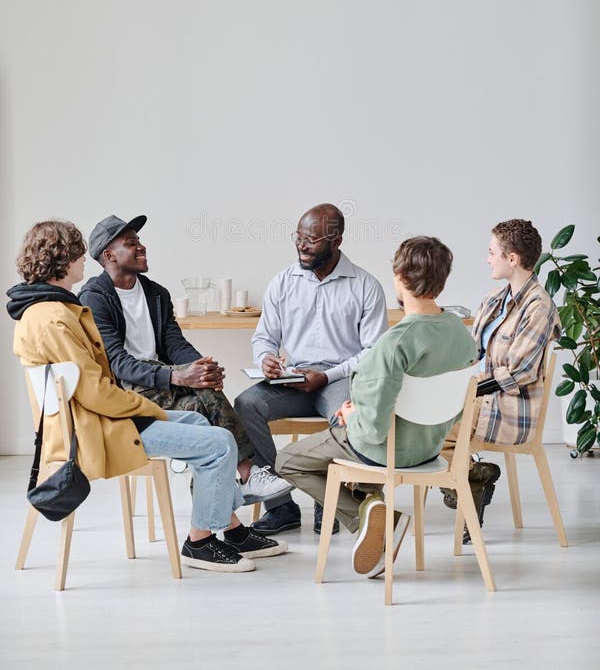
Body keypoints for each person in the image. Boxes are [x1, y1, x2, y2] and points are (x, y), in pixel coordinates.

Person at [7, 220, 288, 573]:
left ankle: (231, 528)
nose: (83, 260)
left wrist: (193, 372)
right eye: (78, 254)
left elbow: (112, 375)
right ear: (63, 260)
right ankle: (199, 543)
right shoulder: (56, 318)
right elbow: (96, 391)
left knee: (201, 421)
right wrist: (144, 406)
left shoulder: (53, 310)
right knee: (218, 443)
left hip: (105, 416)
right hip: (98, 427)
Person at [275, 236, 477, 576]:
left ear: (400, 276)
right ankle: (374, 509)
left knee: (288, 461)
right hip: (429, 448)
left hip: (385, 451)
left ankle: (371, 517)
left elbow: (371, 430)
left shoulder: (393, 343)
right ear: (443, 279)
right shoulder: (459, 332)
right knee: (354, 441)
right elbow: (453, 405)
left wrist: (350, 414)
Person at [79, 214, 290, 507]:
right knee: (204, 394)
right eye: (131, 243)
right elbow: (118, 363)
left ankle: (219, 506)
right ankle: (246, 474)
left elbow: (174, 344)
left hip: (161, 383)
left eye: (140, 240)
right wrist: (178, 376)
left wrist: (201, 367)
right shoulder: (94, 297)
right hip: (127, 390)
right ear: (109, 255)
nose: (141, 247)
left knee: (203, 409)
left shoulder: (156, 293)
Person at [234, 203, 388, 535]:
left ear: (337, 240)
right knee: (246, 404)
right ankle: (280, 507)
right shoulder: (283, 282)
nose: (302, 246)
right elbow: (264, 336)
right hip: (295, 378)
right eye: (299, 237)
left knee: (346, 416)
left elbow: (374, 352)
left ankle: (328, 501)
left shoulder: (365, 285)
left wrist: (327, 376)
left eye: (312, 240)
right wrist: (266, 358)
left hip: (341, 377)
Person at [440, 218, 561, 541]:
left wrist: (470, 391)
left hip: (509, 408)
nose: (487, 258)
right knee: (423, 423)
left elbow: (519, 372)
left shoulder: (540, 307)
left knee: (429, 430)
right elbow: (471, 353)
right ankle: (474, 479)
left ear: (513, 258)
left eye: (492, 252)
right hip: (482, 399)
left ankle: (470, 484)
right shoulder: (494, 299)